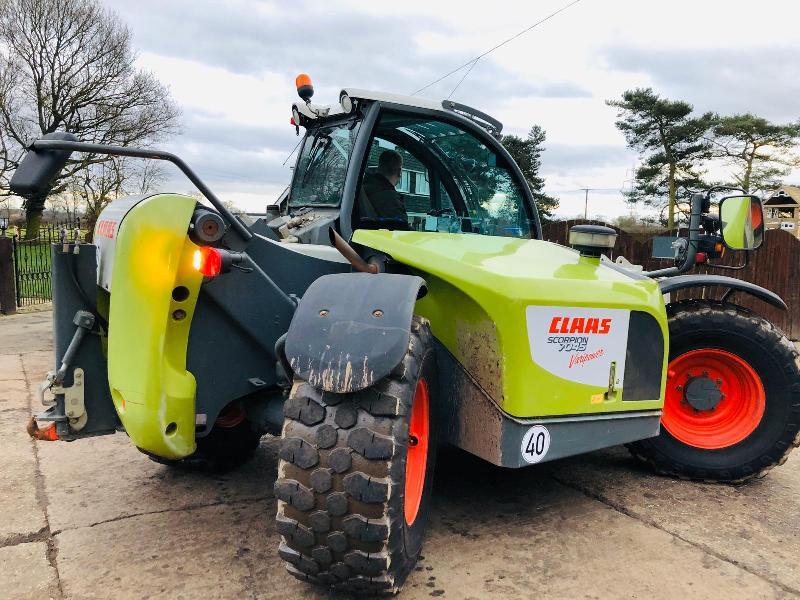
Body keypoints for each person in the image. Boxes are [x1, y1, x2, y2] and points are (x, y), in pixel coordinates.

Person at [362, 150, 407, 221]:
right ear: (399, 171)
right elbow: (401, 229)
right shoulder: (391, 200)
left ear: (379, 168)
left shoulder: (364, 188)